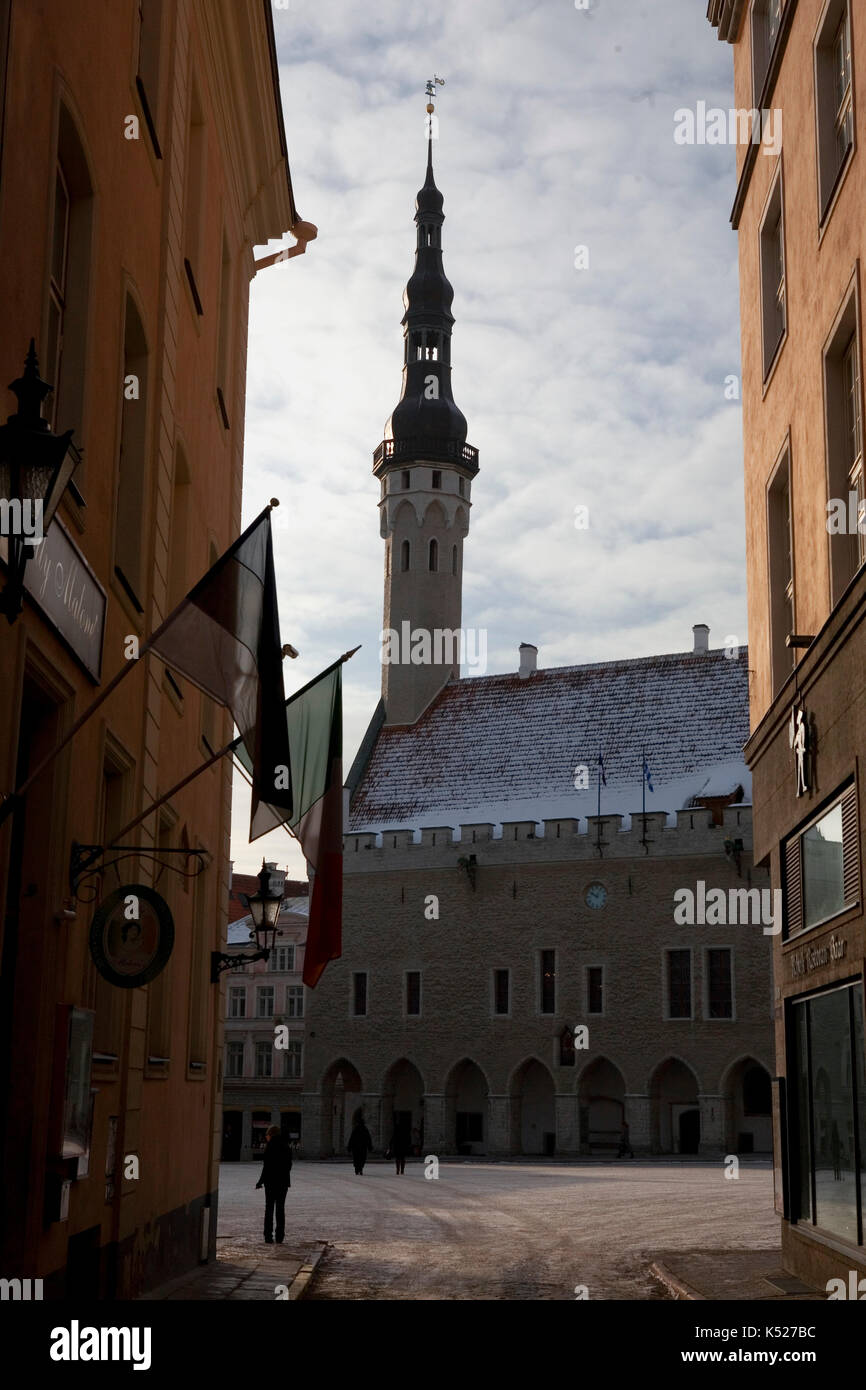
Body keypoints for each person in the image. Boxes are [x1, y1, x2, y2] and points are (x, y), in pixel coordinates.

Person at [255, 1125, 292, 1243]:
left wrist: (260, 1181)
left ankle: (268, 1236)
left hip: (270, 1182)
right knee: (280, 1209)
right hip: (283, 1182)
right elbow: (289, 1165)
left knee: (269, 1208)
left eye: (267, 1135)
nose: (266, 1138)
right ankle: (280, 1236)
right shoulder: (286, 1146)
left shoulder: (269, 1147)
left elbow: (266, 1167)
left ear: (270, 1135)